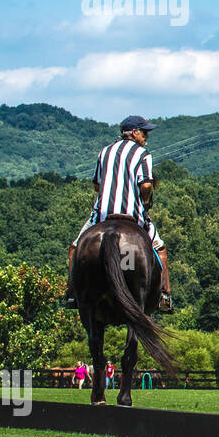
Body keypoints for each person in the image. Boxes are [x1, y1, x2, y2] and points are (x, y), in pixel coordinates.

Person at [64, 115, 172, 312]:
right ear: (134, 133)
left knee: (75, 248)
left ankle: (72, 292)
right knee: (160, 248)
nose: (147, 136)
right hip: (133, 216)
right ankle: (164, 295)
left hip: (102, 216)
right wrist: (145, 201)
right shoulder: (143, 154)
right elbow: (146, 184)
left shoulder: (104, 152)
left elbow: (97, 185)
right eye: (144, 132)